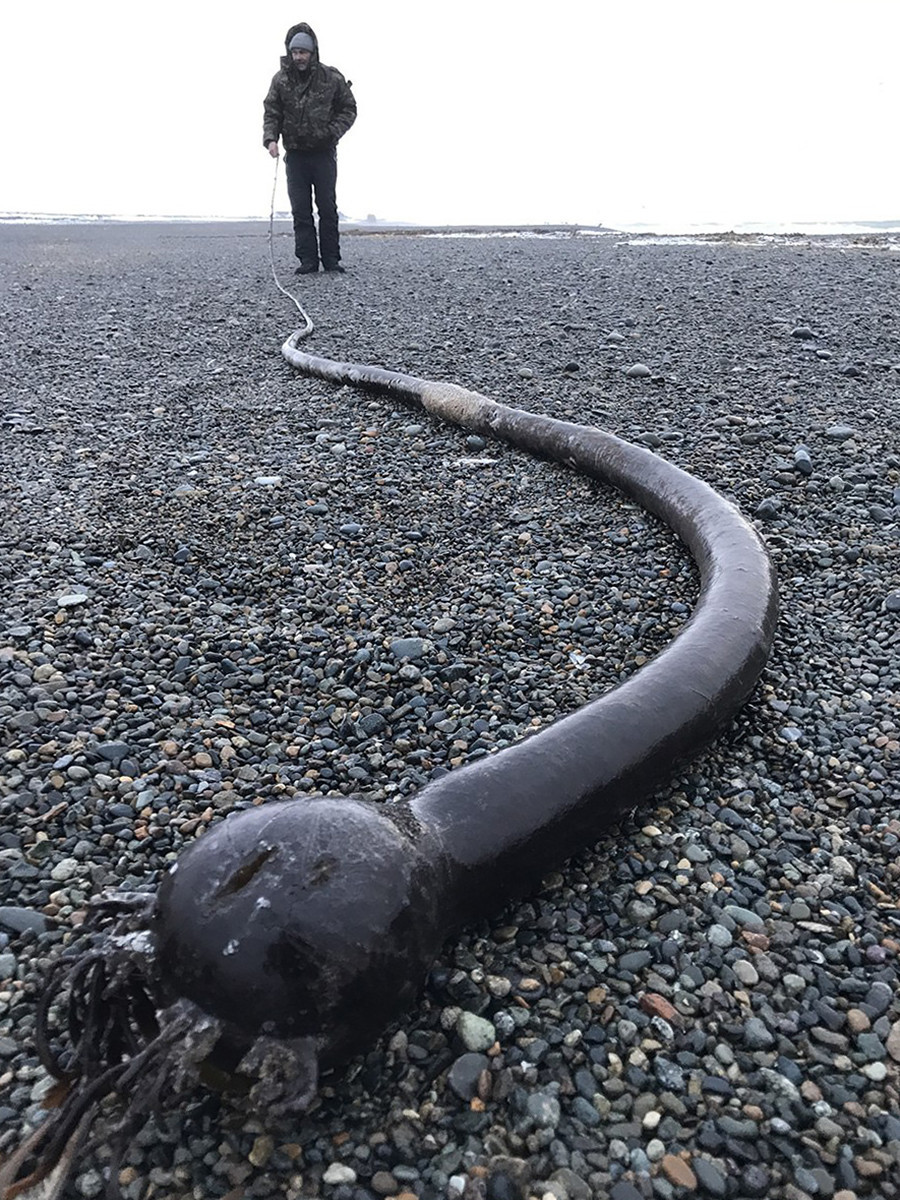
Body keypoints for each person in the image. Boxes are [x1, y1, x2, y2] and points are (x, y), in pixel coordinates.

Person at [263, 23, 357, 274]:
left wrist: (332, 132)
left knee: (327, 207)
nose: (298, 58)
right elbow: (271, 112)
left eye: (303, 52)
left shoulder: (331, 77)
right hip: (295, 155)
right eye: (294, 53)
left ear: (312, 52)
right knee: (301, 210)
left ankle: (331, 260)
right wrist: (271, 139)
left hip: (323, 153)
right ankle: (308, 260)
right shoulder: (280, 80)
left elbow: (349, 109)